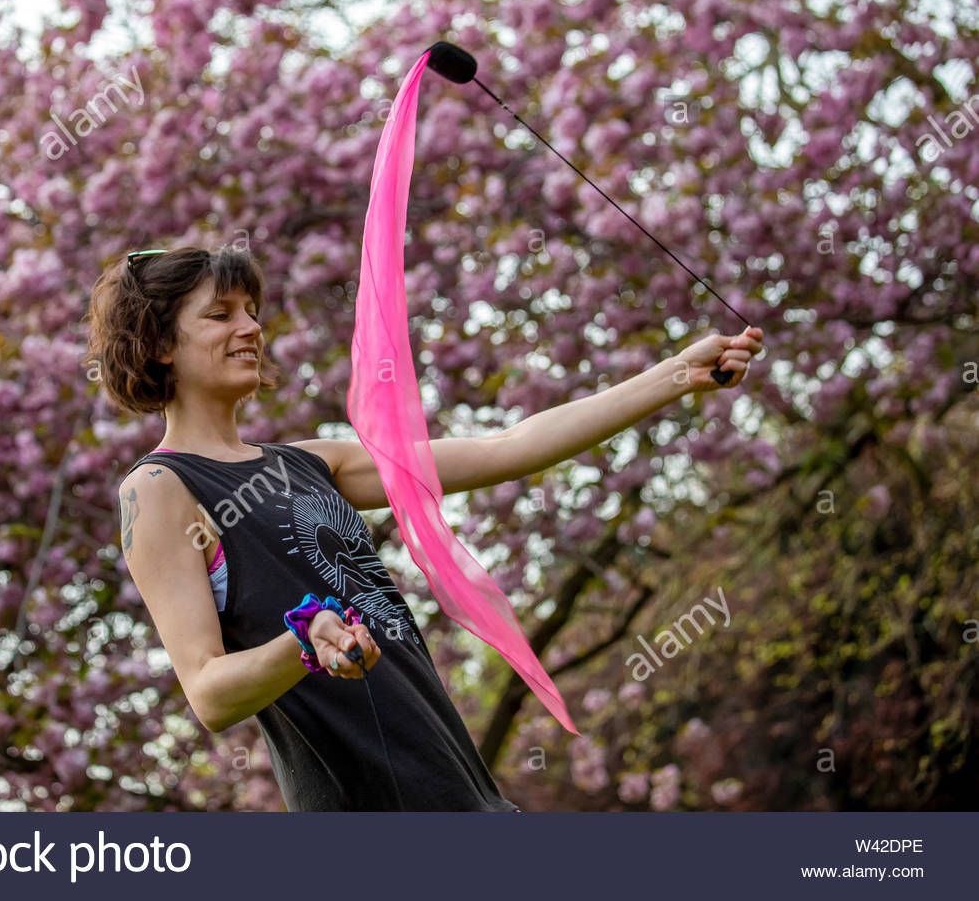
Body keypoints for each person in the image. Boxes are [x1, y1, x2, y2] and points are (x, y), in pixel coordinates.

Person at [85, 245, 763, 811]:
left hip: (462, 794)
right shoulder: (159, 489)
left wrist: (679, 375)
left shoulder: (313, 463)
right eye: (220, 314)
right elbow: (207, 693)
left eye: (254, 312)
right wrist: (304, 642)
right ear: (161, 345)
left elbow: (508, 448)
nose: (252, 328)